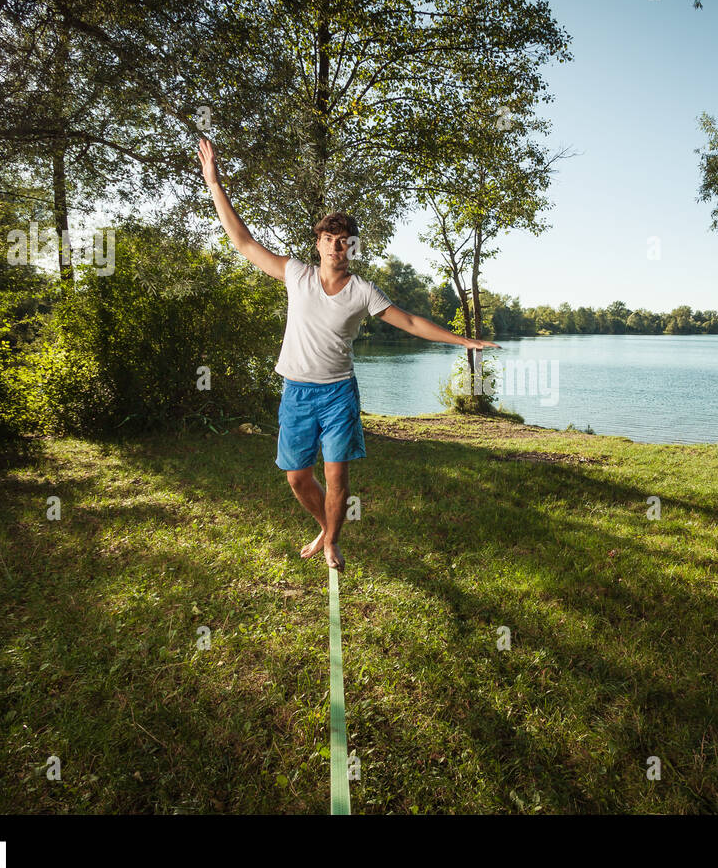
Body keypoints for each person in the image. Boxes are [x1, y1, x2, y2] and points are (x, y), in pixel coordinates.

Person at [198, 137, 498, 571]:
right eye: (330, 240)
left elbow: (412, 322)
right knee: (297, 477)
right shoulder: (295, 275)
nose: (337, 248)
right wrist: (213, 180)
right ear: (318, 243)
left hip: (338, 393)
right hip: (297, 391)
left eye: (345, 242)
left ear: (353, 247)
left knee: (337, 475)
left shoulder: (363, 292)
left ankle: (332, 540)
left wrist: (464, 340)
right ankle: (325, 527)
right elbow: (243, 241)